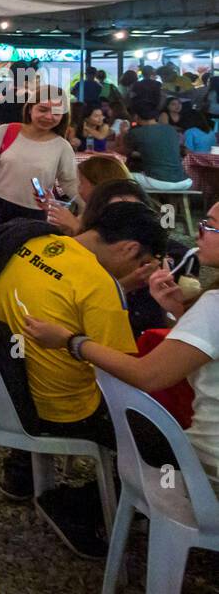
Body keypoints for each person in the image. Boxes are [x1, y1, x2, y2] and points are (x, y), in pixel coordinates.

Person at [0, 201, 168, 556]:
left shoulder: (32, 243)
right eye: (142, 264)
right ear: (129, 248)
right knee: (165, 441)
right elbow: (126, 376)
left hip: (1, 387)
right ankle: (76, 506)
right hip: (61, 411)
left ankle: (27, 477)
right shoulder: (99, 287)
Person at [23, 201, 219, 487]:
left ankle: (109, 503)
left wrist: (70, 341)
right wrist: (178, 313)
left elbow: (145, 375)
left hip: (205, 465)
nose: (198, 232)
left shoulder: (212, 305)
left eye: (210, 226)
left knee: (127, 411)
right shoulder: (208, 306)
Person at [0, 88, 79, 224]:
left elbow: (70, 183)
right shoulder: (5, 131)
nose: (48, 117)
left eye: (56, 113)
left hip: (34, 214)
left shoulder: (62, 147)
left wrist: (89, 207)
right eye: (42, 110)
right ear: (30, 109)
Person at [44, 154, 132, 234]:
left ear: (97, 186)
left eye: (81, 182)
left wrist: (74, 226)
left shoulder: (119, 217)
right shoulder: (92, 211)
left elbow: (99, 248)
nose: (78, 189)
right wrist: (53, 209)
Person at [120, 106, 192, 190]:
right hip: (183, 181)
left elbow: (124, 151)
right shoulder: (171, 129)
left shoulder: (136, 132)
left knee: (120, 174)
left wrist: (123, 133)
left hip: (158, 182)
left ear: (136, 116)